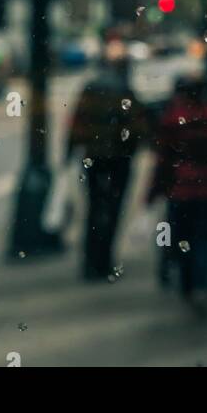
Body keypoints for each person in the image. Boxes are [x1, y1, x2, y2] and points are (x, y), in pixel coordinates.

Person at [147, 73, 207, 316]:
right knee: (204, 239)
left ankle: (186, 284)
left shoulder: (172, 121)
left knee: (183, 238)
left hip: (182, 189)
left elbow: (163, 161)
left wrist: (153, 192)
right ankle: (201, 286)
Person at [67, 38, 148, 280]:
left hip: (94, 157)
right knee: (112, 209)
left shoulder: (91, 88)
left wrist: (70, 151)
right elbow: (138, 128)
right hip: (119, 159)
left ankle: (90, 260)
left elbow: (77, 125)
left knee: (93, 207)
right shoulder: (125, 92)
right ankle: (104, 259)